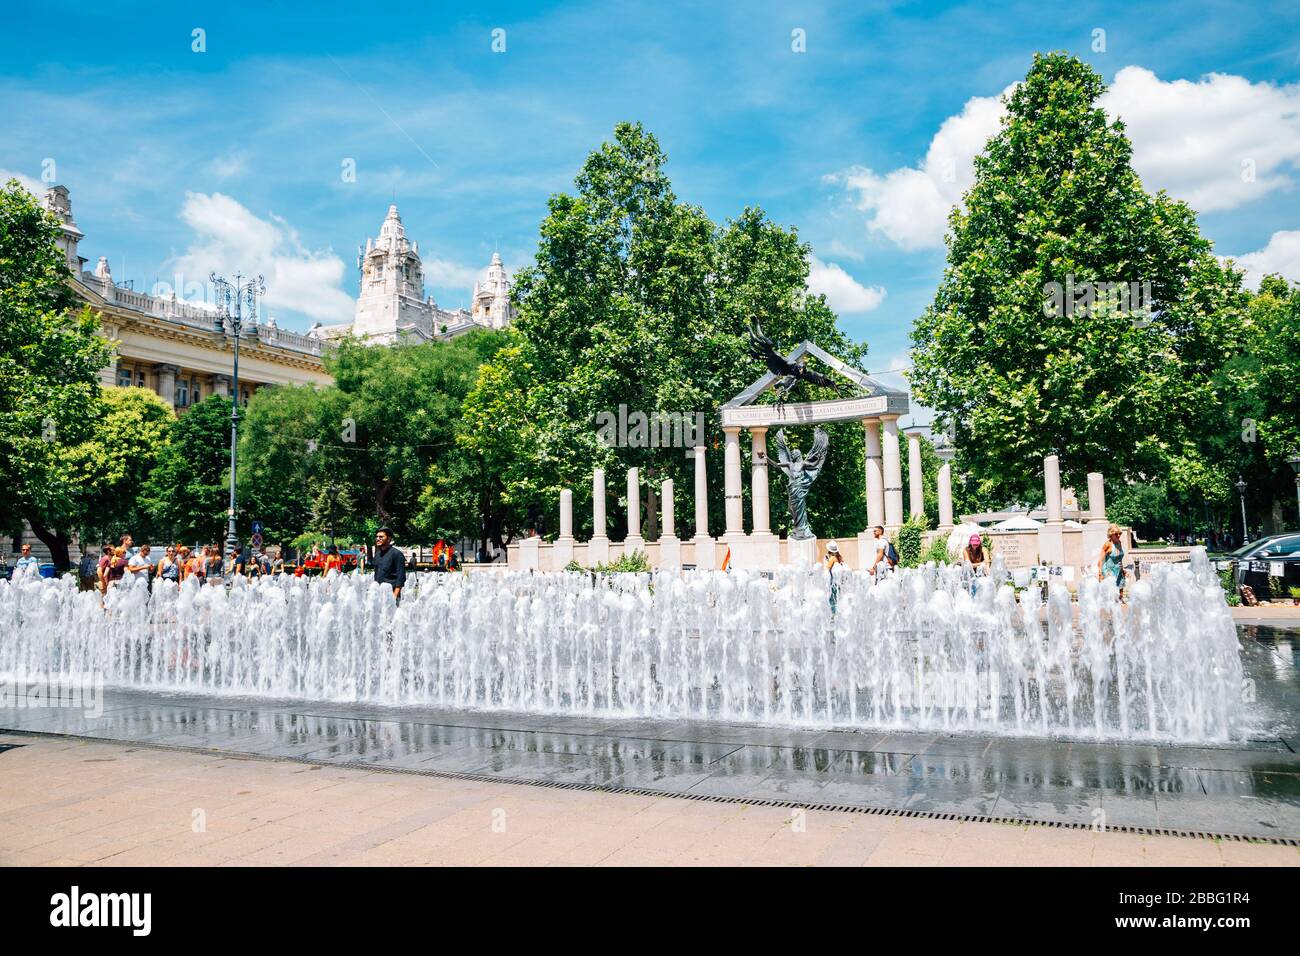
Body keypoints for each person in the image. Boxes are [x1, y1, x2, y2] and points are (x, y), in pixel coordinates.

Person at [372, 526, 406, 602]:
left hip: (391, 594)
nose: (378, 539)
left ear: (389, 539)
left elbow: (401, 577)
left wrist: (394, 596)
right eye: (377, 537)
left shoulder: (397, 554)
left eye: (381, 537)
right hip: (379, 594)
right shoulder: (377, 554)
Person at [1098, 524, 1127, 597]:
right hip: (1109, 572)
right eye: (1116, 534)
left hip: (1119, 571)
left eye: (1120, 533)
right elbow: (1101, 561)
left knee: (1120, 595)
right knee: (1111, 595)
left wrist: (1122, 569)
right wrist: (1100, 574)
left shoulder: (1119, 543)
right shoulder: (1107, 545)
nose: (1118, 535)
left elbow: (1120, 558)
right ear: (1111, 534)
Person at [824, 539, 845, 613]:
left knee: (832, 599)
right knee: (838, 598)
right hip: (838, 582)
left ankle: (833, 615)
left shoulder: (832, 558)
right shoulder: (839, 557)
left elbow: (827, 569)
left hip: (833, 582)